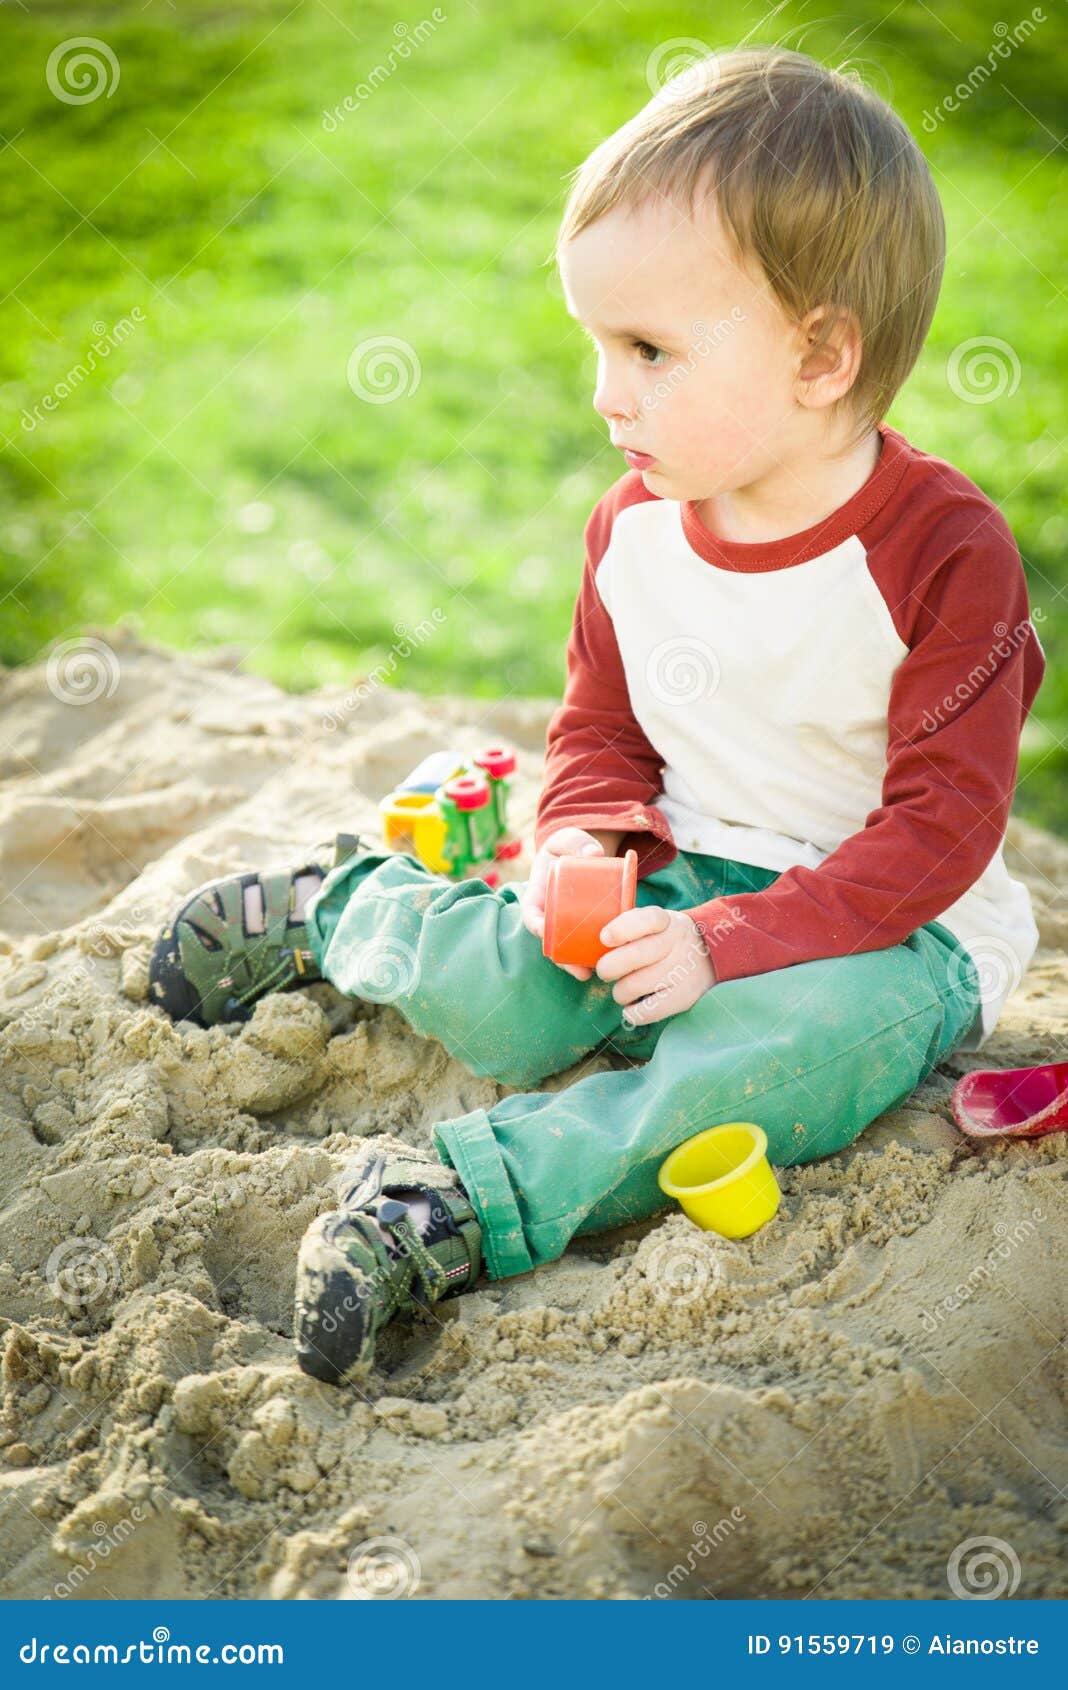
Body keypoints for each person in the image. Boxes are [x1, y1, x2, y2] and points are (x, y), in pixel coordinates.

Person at [148, 47, 1045, 1387]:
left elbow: (941, 831)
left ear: (820, 354)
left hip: (894, 934)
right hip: (680, 866)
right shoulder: (634, 530)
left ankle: (447, 1204)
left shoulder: (943, 554)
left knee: (772, 1067)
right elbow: (602, 734)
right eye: (595, 346)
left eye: (649, 352)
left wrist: (722, 941)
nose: (604, 394)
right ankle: (340, 909)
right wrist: (585, 842)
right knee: (516, 1005)